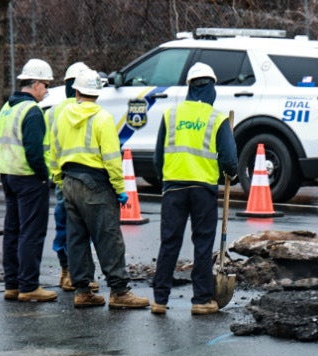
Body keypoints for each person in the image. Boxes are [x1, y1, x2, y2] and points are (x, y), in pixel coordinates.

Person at [49, 67, 149, 310]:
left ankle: (83, 290)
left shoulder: (61, 116)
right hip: (96, 183)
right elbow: (112, 159)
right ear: (98, 92)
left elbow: (54, 152)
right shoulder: (102, 118)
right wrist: (120, 189)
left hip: (70, 181)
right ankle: (119, 290)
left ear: (76, 91)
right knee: (108, 237)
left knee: (77, 238)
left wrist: (60, 180)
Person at [151, 62, 237, 315]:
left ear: (189, 87)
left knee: (169, 243)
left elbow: (158, 157)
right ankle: (201, 299)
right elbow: (229, 159)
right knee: (202, 244)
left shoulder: (171, 114)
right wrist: (231, 175)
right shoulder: (217, 118)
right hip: (203, 189)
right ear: (211, 88)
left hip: (173, 188)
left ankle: (159, 299)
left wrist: (164, 179)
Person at [0, 58, 57, 303]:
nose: (47, 90)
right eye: (46, 85)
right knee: (31, 232)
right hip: (29, 177)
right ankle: (29, 285)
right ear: (36, 84)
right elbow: (34, 150)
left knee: (13, 230)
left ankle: (12, 284)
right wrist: (44, 175)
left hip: (8, 174)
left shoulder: (6, 109)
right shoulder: (31, 111)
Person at [43, 61, 92, 292]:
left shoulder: (52, 112)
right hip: (88, 180)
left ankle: (67, 272)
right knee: (85, 228)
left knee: (64, 226)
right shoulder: (93, 109)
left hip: (63, 178)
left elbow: (47, 148)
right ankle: (82, 273)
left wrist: (55, 176)